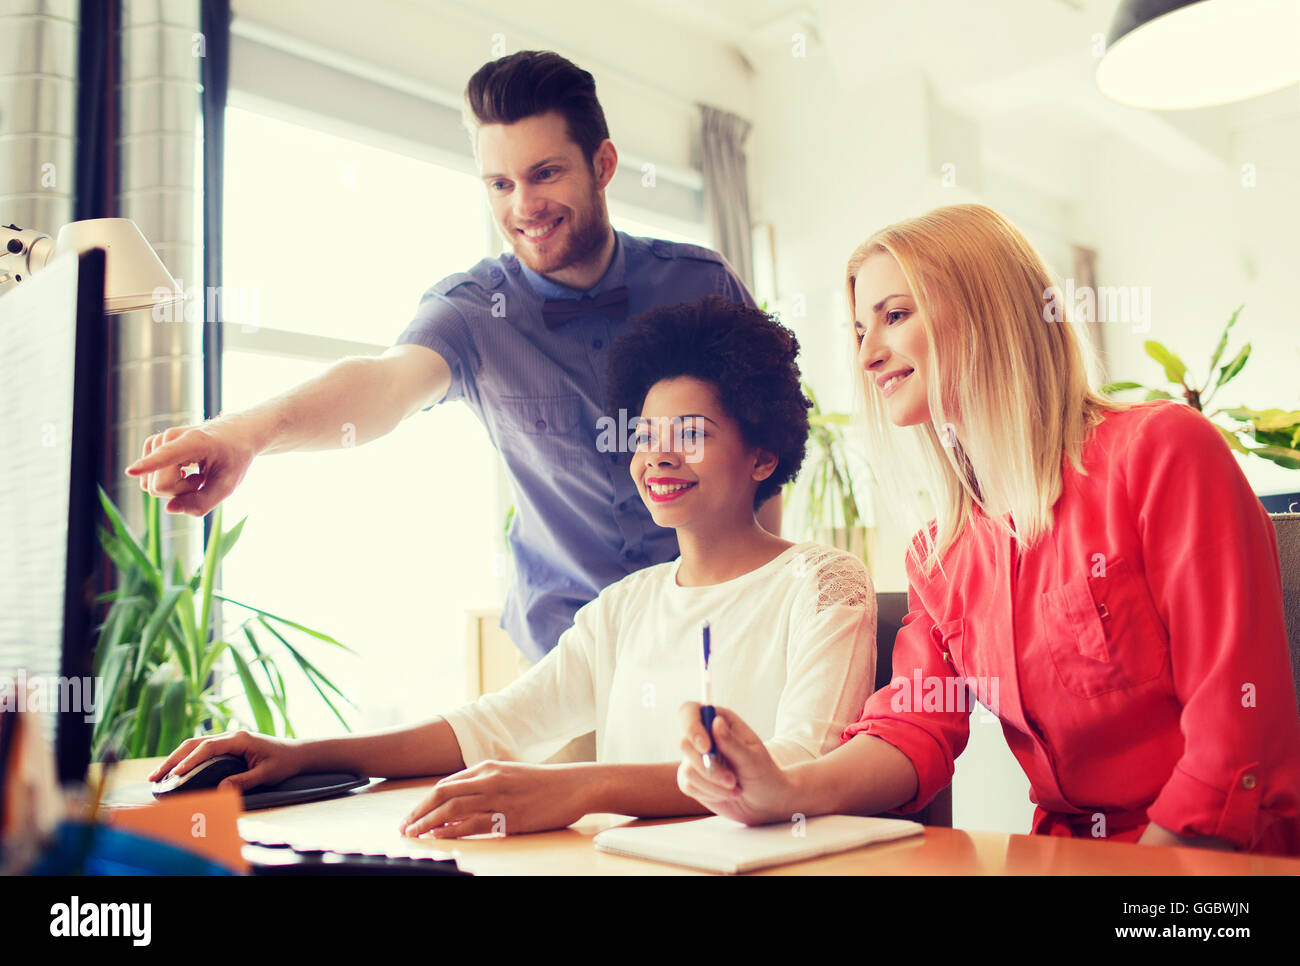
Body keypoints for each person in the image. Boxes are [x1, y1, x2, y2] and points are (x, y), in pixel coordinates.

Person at [675, 203, 1300, 855]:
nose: (867, 355)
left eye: (895, 315)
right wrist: (783, 787)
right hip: (1064, 857)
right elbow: (914, 728)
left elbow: (1234, 743)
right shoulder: (941, 552)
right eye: (859, 329)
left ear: (987, 311)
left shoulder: (1164, 451)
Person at [123, 50, 776, 665]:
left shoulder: (702, 284)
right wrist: (245, 432)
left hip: (712, 632)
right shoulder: (472, 311)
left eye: (545, 173)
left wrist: (761, 588)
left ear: (602, 164)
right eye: (500, 182)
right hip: (568, 659)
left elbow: (767, 445)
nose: (524, 206)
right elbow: (382, 385)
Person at [147, 297, 876, 838]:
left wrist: (579, 789)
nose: (657, 456)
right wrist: (301, 755)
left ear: (762, 455)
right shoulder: (625, 607)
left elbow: (794, 767)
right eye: (645, 435)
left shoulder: (823, 584)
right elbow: (494, 726)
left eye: (691, 434)